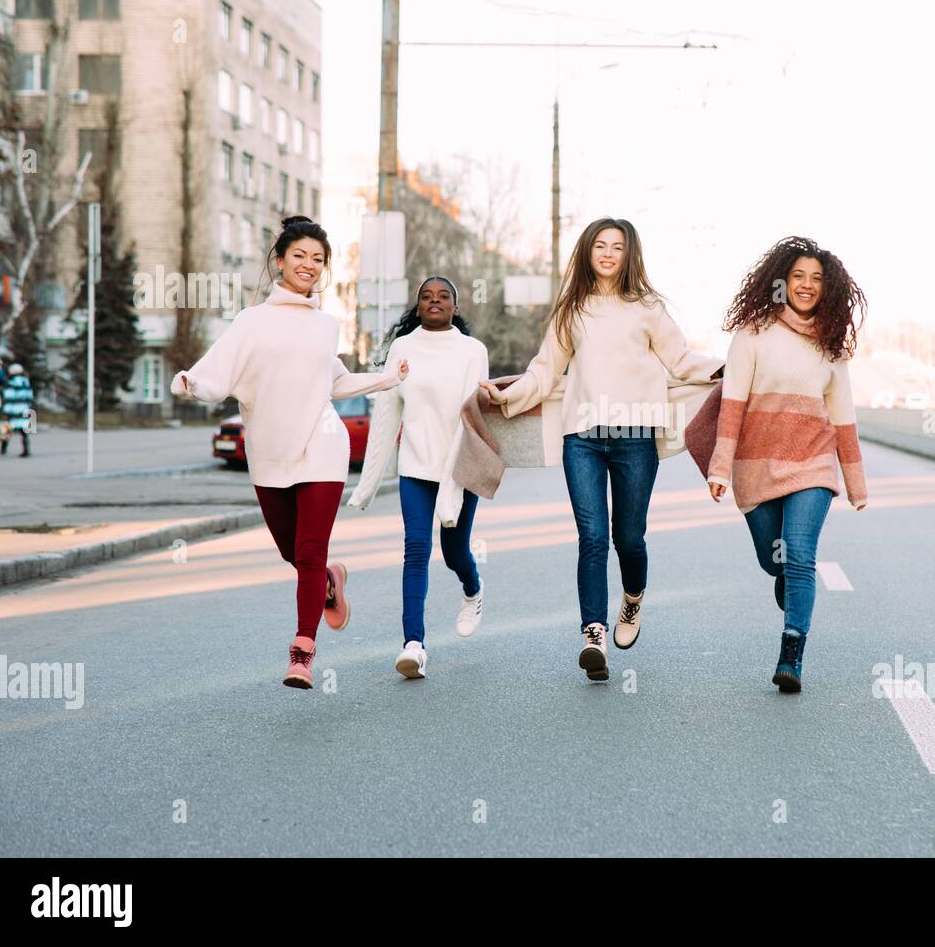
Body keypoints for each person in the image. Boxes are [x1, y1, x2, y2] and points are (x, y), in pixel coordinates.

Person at [479, 217, 724, 681]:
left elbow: (681, 360)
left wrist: (725, 370)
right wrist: (505, 395)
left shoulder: (648, 308)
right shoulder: (572, 307)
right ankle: (592, 632)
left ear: (630, 255)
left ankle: (632, 601)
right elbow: (544, 370)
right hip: (583, 438)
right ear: (588, 252)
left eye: (617, 246)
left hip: (635, 438)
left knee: (627, 538)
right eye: (600, 246)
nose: (609, 253)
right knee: (591, 538)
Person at [171, 216, 408, 689]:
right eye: (299, 256)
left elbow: (335, 381)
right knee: (292, 551)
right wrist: (194, 384)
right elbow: (220, 370)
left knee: (308, 547)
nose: (309, 265)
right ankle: (326, 581)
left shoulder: (326, 325)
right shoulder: (251, 322)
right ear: (279, 261)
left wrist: (389, 376)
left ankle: (302, 651)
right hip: (269, 451)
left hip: (321, 444)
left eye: (318, 260)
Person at [703, 236, 868, 692]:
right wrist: (720, 467)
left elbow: (843, 419)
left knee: (799, 554)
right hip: (755, 467)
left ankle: (791, 653)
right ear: (782, 281)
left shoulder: (832, 347)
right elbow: (732, 407)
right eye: (798, 276)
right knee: (772, 559)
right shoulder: (753, 333)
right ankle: (788, 581)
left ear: (828, 287)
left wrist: (855, 483)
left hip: (812, 466)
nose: (807, 285)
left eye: (816, 278)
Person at [349, 276, 489, 680]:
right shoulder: (403, 348)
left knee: (454, 551)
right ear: (417, 305)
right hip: (416, 468)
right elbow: (386, 413)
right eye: (426, 297)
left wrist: (451, 490)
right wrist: (367, 483)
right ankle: (413, 645)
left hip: (460, 467)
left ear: (455, 307)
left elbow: (471, 416)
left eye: (443, 296)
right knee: (416, 548)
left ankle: (473, 588)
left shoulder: (472, 351)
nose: (434, 301)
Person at [0, 363, 33, 457]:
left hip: (13, 410)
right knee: (24, 432)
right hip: (24, 409)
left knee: (6, 429)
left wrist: (6, 411)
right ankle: (26, 449)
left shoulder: (10, 383)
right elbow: (30, 397)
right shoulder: (26, 382)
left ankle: (3, 448)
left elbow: (8, 398)